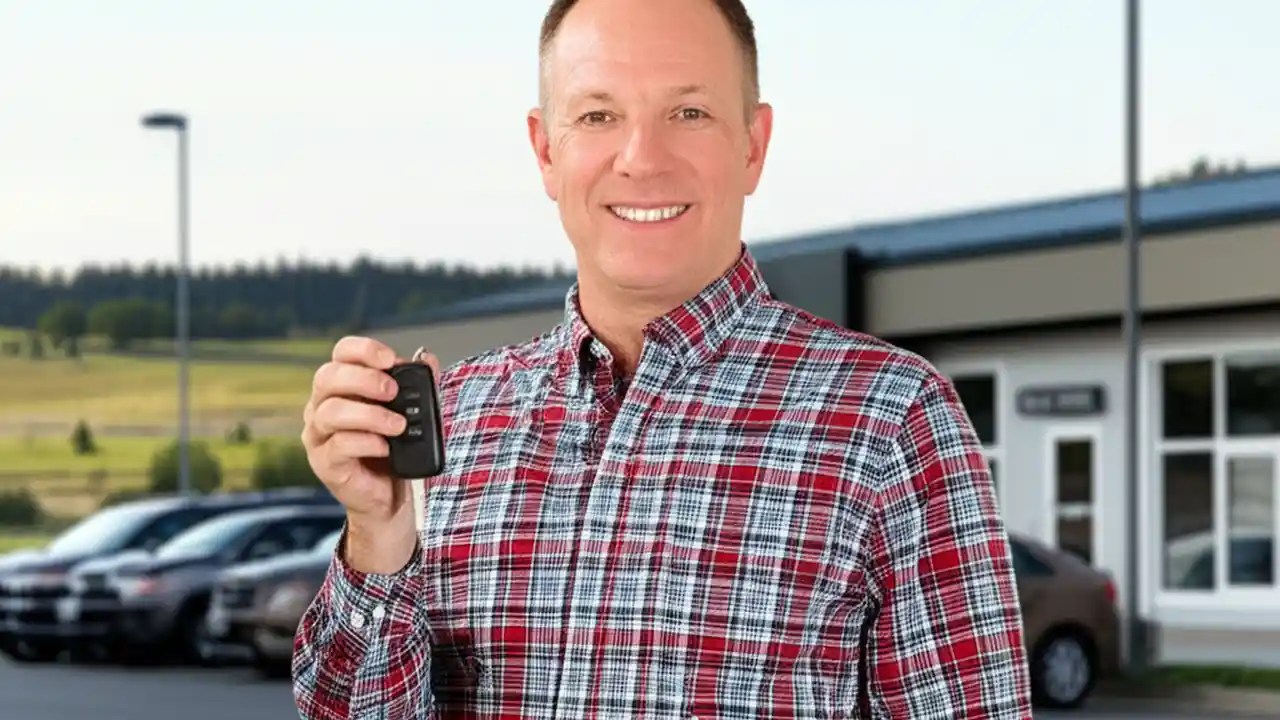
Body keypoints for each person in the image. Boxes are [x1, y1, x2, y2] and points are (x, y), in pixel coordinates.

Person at [293, 0, 1034, 717]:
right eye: (597, 115)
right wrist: (378, 541)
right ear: (545, 151)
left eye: (688, 112)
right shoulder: (455, 417)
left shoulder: (893, 421)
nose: (642, 159)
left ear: (753, 144)